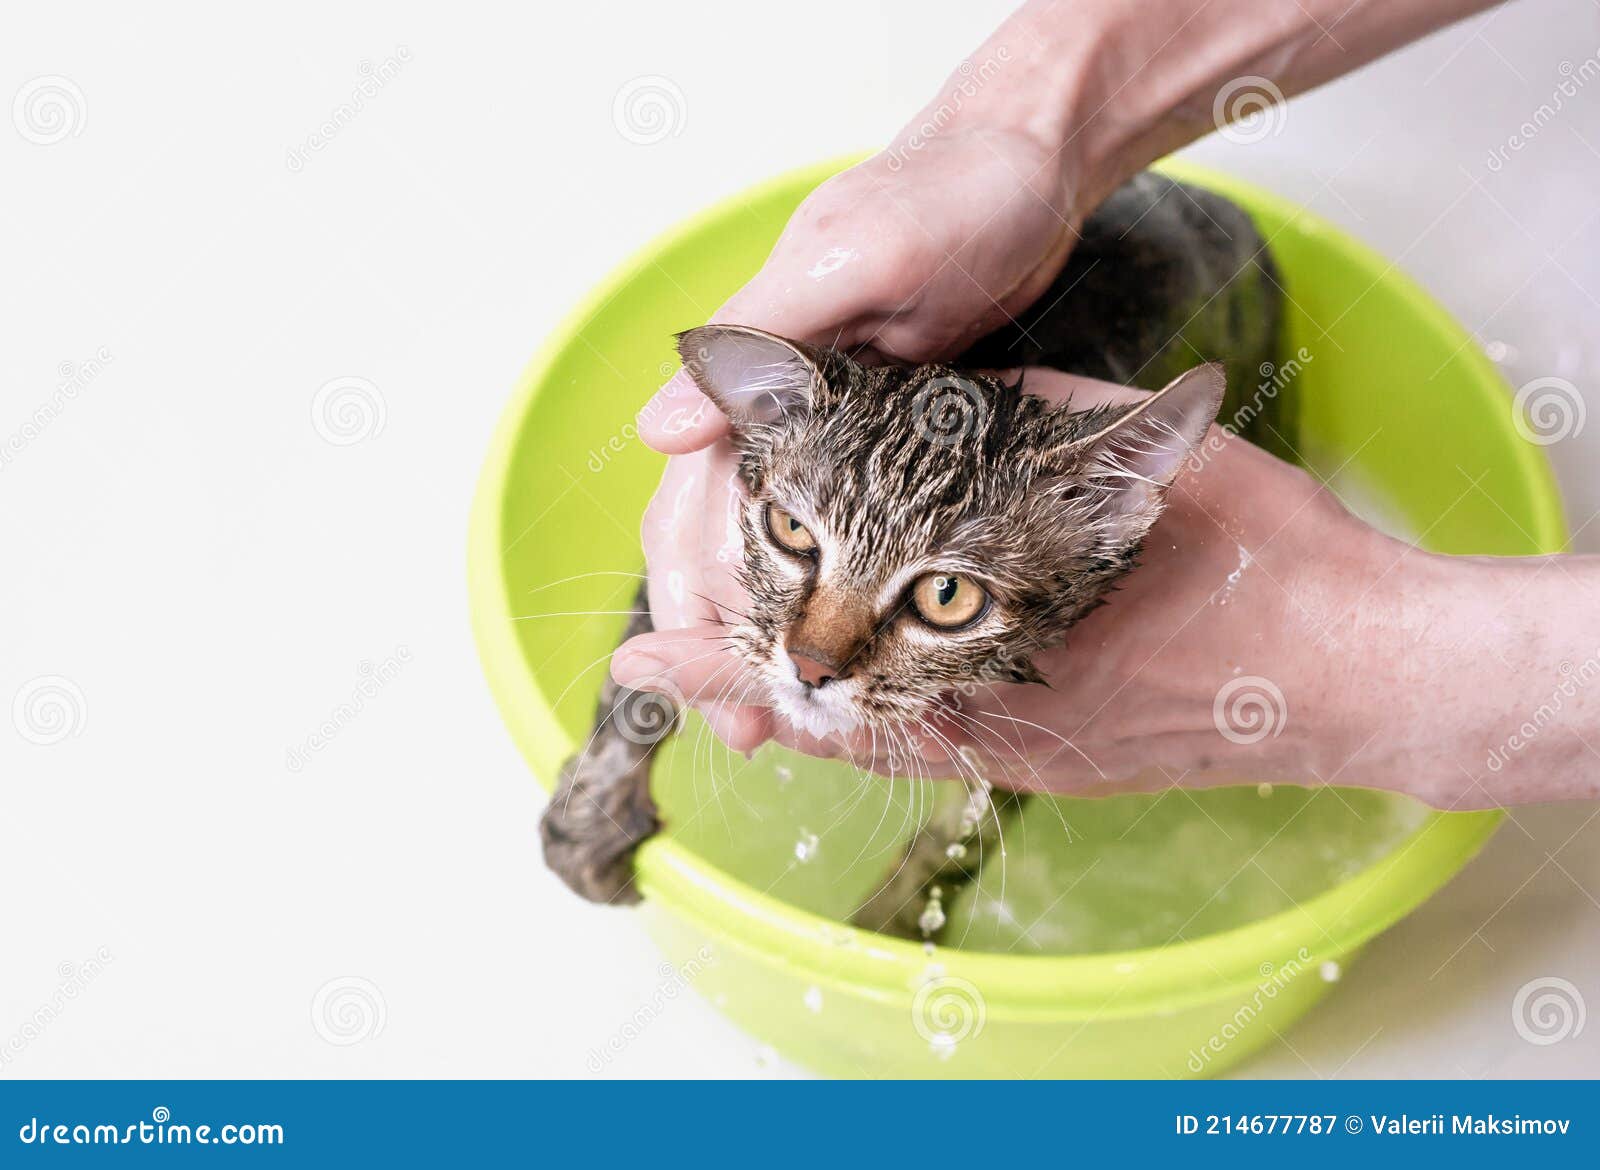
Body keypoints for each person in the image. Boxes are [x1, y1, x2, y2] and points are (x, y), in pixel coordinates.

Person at [611, 0, 1599, 809]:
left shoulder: (1078, 511)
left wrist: (1353, 680)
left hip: (1209, 282)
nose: (814, 654)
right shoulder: (807, 481)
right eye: (793, 532)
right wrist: (1012, 132)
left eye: (941, 595)